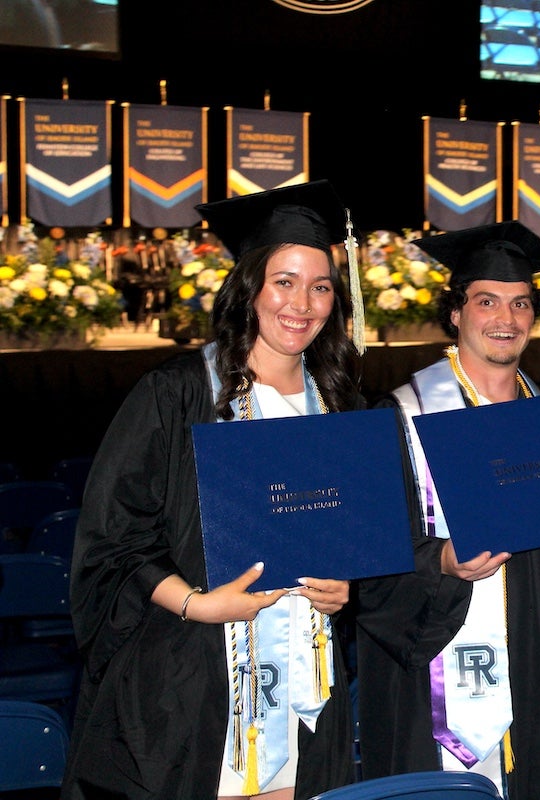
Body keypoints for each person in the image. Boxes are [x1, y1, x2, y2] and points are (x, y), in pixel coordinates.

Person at [64, 180, 361, 799]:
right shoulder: (178, 393)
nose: (302, 303)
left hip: (308, 683)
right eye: (284, 281)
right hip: (190, 676)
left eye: (320, 286)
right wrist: (197, 604)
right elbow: (115, 538)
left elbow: (357, 534)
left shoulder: (339, 405)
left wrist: (345, 587)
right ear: (249, 288)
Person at [353, 220, 540, 800]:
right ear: (455, 312)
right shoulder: (401, 418)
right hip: (432, 677)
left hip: (534, 674)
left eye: (520, 304)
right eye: (486, 301)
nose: (506, 319)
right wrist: (442, 560)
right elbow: (368, 560)